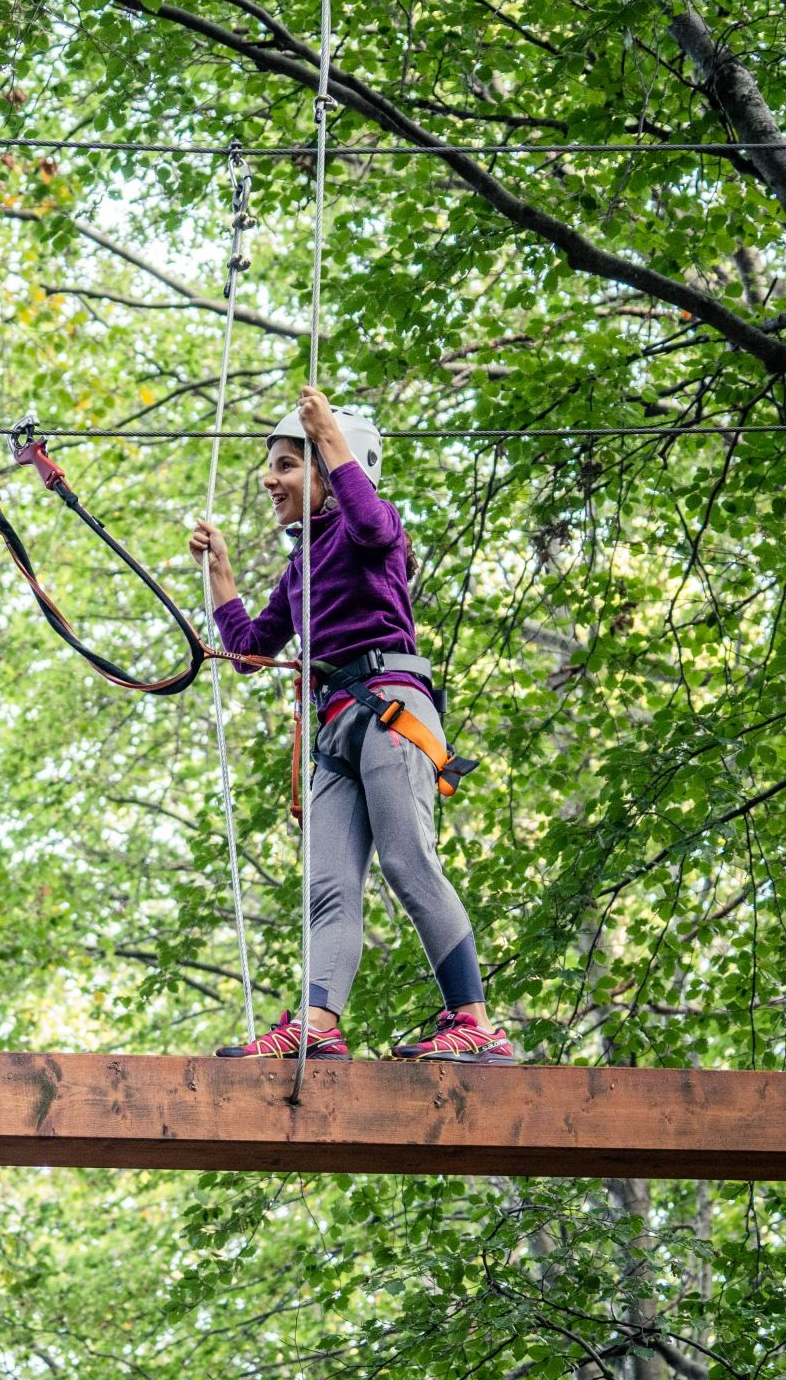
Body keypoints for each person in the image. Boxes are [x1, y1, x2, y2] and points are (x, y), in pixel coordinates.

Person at [188, 387, 513, 1064]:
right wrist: (220, 574)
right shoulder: (300, 566)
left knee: (405, 857)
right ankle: (317, 1022)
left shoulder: (370, 527)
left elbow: (368, 520)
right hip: (335, 727)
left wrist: (328, 435)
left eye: (286, 464)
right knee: (328, 886)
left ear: (332, 476)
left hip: (388, 703)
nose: (269, 479)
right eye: (269, 466)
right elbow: (251, 650)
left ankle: (476, 1022)